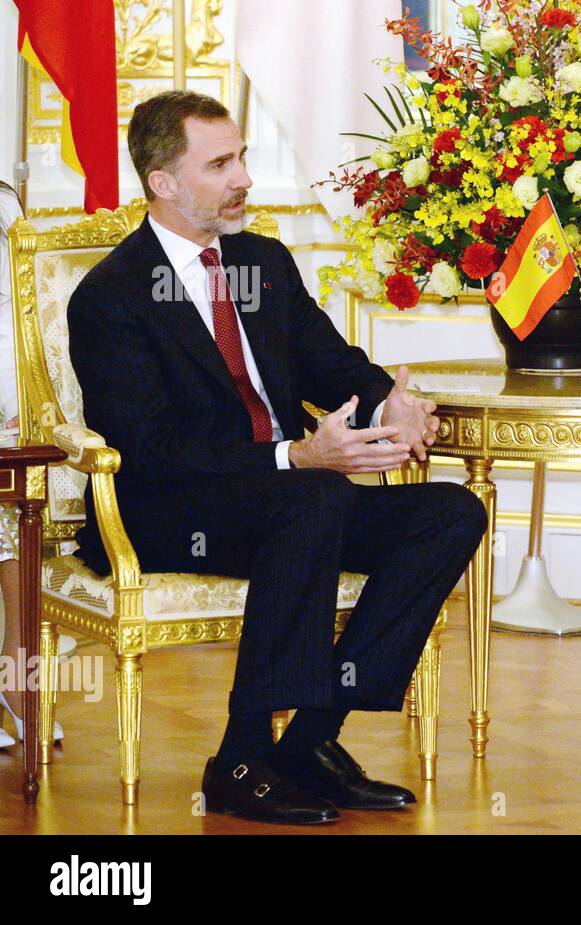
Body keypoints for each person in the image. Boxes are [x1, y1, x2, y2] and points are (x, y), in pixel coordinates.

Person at [66, 90, 487, 825]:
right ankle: (238, 756)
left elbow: (333, 364)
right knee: (315, 496)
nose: (245, 179)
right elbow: (155, 451)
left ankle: (310, 741)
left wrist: (391, 404)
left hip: (292, 502)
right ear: (163, 183)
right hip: (171, 511)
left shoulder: (262, 261)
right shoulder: (111, 296)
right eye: (221, 163)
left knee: (450, 512)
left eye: (243, 158)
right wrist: (295, 455)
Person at [0, 180, 68, 748]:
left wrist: (22, 402)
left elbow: (18, 316)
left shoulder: (3, 205)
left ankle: (18, 682)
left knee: (16, 540)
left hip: (5, 405)